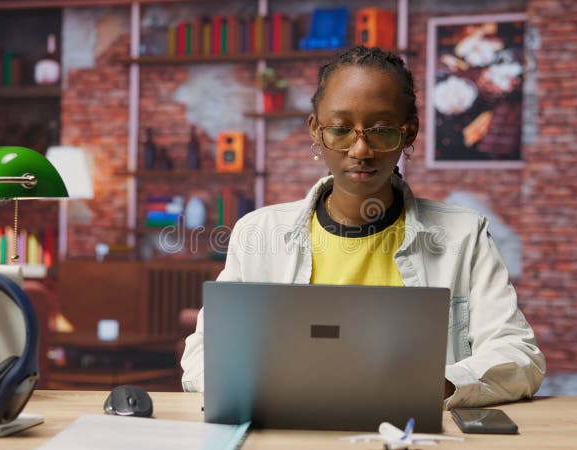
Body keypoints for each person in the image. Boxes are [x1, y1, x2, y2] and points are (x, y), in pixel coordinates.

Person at [181, 46, 545, 408]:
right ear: (315, 130)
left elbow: (519, 355)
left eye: (382, 130)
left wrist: (439, 384)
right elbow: (202, 356)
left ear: (409, 132)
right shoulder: (258, 233)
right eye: (340, 129)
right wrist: (266, 383)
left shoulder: (464, 236)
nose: (360, 149)